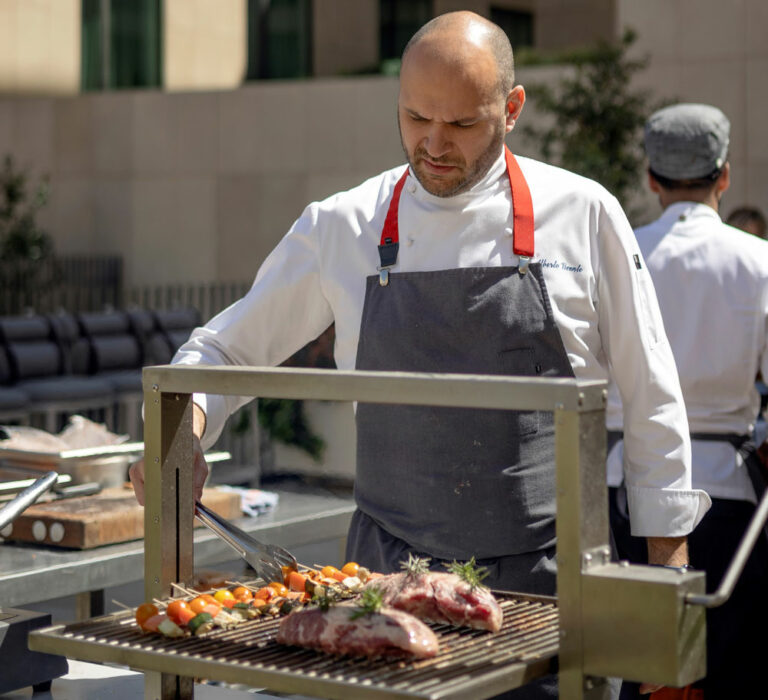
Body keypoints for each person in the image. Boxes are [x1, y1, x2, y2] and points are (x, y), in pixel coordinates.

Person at [130, 12, 709, 698]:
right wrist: (181, 434)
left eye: (461, 124)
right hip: (381, 590)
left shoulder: (584, 214)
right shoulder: (343, 225)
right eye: (415, 118)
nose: (433, 144)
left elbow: (651, 398)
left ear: (511, 109)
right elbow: (223, 349)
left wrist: (669, 580)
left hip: (553, 584)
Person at [606, 103, 768, 699]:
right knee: (732, 670)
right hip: (727, 495)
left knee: (631, 670)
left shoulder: (620, 253)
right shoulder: (760, 261)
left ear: (652, 179)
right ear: (723, 175)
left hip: (622, 491)